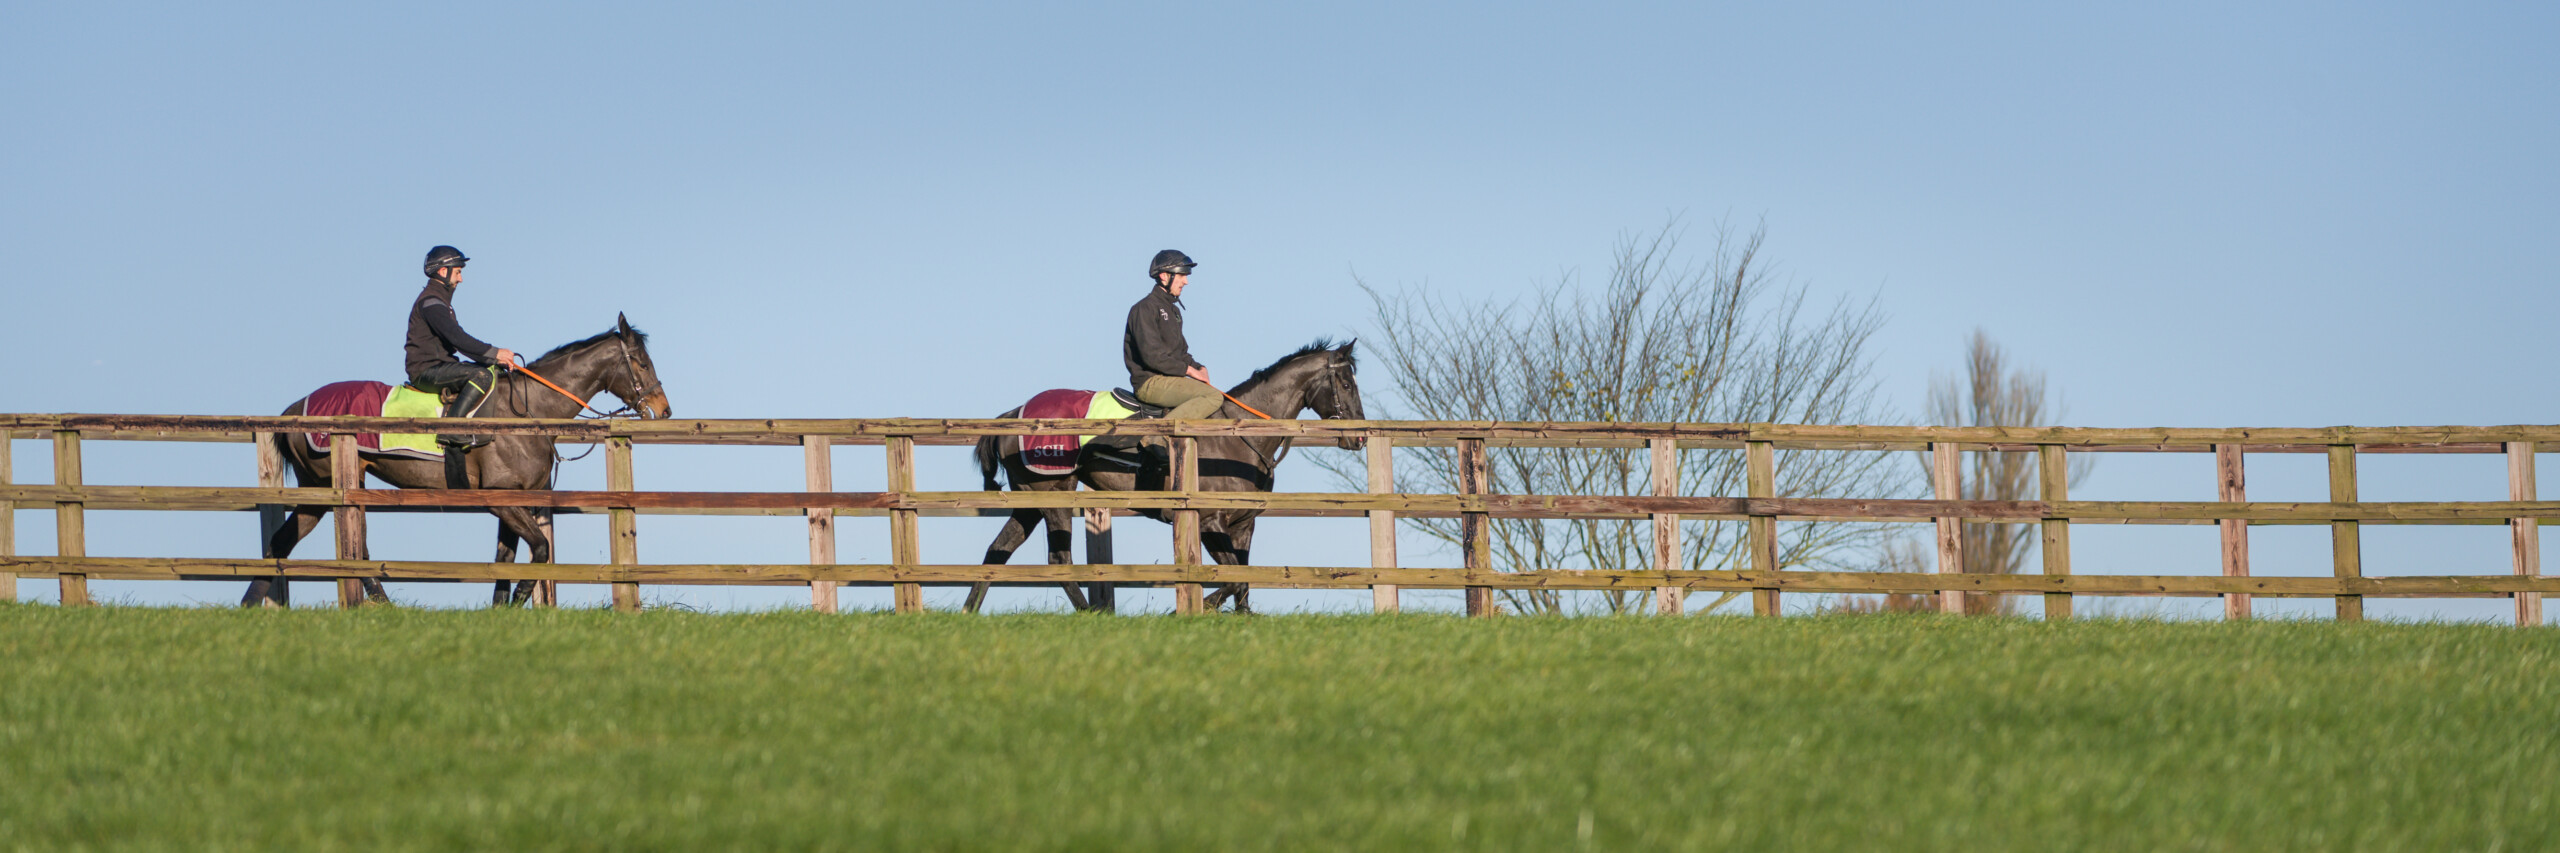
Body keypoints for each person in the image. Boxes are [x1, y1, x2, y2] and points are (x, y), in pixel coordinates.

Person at [404, 245, 520, 448]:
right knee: (481, 376)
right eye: (458, 272)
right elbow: (457, 338)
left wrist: (493, 360)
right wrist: (495, 353)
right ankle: (451, 429)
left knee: (490, 371)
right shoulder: (431, 302)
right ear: (443, 271)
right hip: (426, 371)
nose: (461, 279)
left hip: (440, 367)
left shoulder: (440, 302)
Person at [1123, 249, 1225, 424]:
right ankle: (1159, 435)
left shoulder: (1174, 311)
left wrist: (1200, 368)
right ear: (1164, 276)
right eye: (1182, 275)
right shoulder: (1144, 308)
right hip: (1150, 383)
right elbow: (1152, 356)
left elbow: (1181, 353)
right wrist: (1190, 371)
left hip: (1171, 379)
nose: (1186, 281)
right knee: (1213, 397)